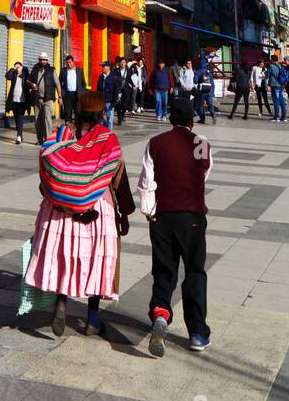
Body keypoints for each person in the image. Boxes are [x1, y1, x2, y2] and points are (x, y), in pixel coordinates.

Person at [25, 90, 135, 338]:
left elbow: (47, 176)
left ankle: (61, 303)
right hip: (97, 208)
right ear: (101, 114)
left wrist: (56, 197)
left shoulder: (61, 136)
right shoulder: (108, 140)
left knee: (66, 256)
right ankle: (93, 319)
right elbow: (119, 178)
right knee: (96, 261)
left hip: (62, 211)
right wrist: (125, 212)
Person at [138, 95, 212, 356]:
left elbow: (147, 182)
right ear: (192, 120)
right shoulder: (201, 144)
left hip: (162, 218)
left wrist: (149, 211)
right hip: (192, 217)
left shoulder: (155, 143)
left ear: (170, 118)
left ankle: (160, 313)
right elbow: (202, 174)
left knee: (164, 269)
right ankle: (197, 333)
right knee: (194, 271)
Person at [28, 53, 61, 145]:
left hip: (48, 98)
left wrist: (60, 96)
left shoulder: (52, 70)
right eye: (41, 59)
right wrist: (32, 85)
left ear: (47, 60)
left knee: (47, 120)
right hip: (37, 98)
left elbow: (57, 84)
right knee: (38, 121)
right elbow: (28, 80)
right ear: (39, 60)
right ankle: (40, 139)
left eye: (45, 60)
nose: (43, 61)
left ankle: (48, 140)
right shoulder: (35, 69)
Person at [5, 61, 29, 144]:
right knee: (16, 118)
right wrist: (13, 69)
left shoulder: (25, 75)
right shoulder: (14, 75)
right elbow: (7, 76)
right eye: (16, 67)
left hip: (22, 101)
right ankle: (20, 135)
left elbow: (27, 78)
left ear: (22, 67)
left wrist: (22, 70)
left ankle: (18, 136)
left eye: (19, 67)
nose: (17, 68)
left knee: (20, 118)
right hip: (14, 100)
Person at [59, 53, 86, 125]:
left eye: (70, 62)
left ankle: (78, 131)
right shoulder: (63, 71)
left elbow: (83, 84)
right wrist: (62, 95)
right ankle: (69, 132)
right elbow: (59, 83)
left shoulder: (80, 70)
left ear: (73, 62)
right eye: (67, 63)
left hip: (77, 95)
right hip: (67, 95)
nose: (69, 64)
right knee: (67, 115)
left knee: (78, 113)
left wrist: (81, 93)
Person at [96, 61, 123, 132]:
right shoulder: (101, 77)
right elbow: (98, 89)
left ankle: (109, 136)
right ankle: (102, 134)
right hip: (101, 102)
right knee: (101, 120)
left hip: (109, 102)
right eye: (102, 66)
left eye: (103, 66)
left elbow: (116, 91)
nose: (102, 68)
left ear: (108, 67)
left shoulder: (113, 77)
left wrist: (114, 102)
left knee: (109, 120)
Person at [193, 57, 217, 125]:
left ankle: (202, 119)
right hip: (209, 91)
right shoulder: (208, 72)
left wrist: (195, 75)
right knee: (210, 105)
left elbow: (195, 81)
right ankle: (213, 114)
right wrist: (212, 93)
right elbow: (212, 84)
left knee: (200, 105)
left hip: (201, 92)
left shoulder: (199, 71)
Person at [267, 54, 287, 123]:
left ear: (272, 59)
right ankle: (284, 117)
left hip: (274, 85)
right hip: (280, 84)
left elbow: (267, 75)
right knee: (281, 101)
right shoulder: (280, 65)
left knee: (276, 101)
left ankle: (276, 117)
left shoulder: (271, 66)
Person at [115, 56, 132, 126]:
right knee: (118, 105)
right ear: (119, 63)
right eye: (121, 62)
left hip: (126, 89)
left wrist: (133, 85)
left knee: (125, 105)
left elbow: (130, 79)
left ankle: (123, 113)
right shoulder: (116, 70)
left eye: (124, 62)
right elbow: (114, 79)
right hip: (118, 89)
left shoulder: (129, 70)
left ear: (126, 63)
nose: (122, 64)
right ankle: (119, 119)